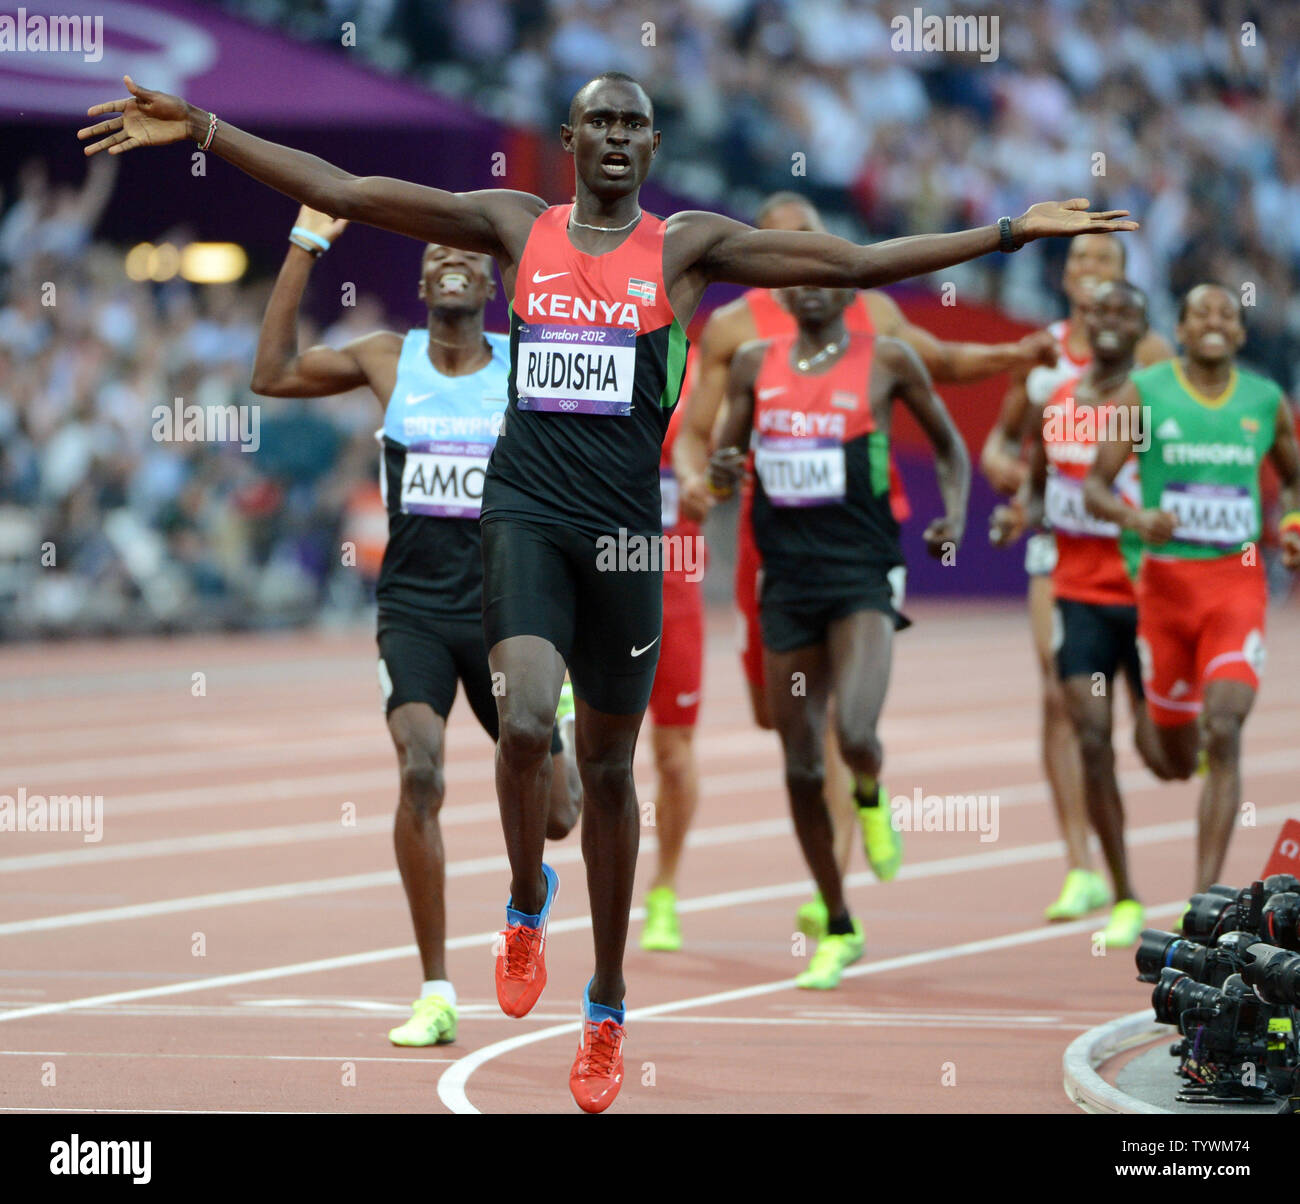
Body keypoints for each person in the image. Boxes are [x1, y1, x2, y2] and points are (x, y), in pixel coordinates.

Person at [80, 68, 1136, 1113]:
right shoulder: (512, 224)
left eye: (636, 122)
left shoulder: (687, 249)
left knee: (613, 775)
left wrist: (1004, 236)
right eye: (601, 123)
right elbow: (349, 190)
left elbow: (855, 263)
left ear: (653, 148)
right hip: (524, 516)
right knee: (527, 723)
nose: (619, 137)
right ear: (570, 138)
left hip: (627, 540)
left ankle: (607, 1002)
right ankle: (527, 898)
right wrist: (207, 124)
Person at [674, 191, 1059, 939]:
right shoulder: (734, 333)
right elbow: (701, 435)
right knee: (783, 724)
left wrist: (1011, 355)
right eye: (780, 251)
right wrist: (702, 477)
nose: (798, 265)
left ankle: (836, 889)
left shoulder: (874, 323)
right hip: (773, 548)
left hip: (861, 550)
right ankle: (843, 823)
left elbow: (941, 364)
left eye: (811, 246)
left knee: (842, 729)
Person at [249, 206, 580, 1046]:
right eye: (437, 252)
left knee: (561, 815)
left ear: (496, 281)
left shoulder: (524, 365)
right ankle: (436, 989)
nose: (453, 261)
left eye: (471, 253)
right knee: (421, 773)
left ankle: (532, 855)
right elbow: (273, 374)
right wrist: (305, 243)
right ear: (424, 281)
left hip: (512, 610)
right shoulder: (385, 360)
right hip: (416, 612)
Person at [707, 281, 969, 987]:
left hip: (862, 575)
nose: (812, 287)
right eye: (799, 277)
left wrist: (954, 515)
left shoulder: (888, 359)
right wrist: (722, 470)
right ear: (784, 295)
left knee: (853, 733)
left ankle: (871, 791)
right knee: (798, 764)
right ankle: (839, 920)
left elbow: (950, 446)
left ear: (850, 290)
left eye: (828, 275)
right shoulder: (752, 363)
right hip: (786, 582)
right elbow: (720, 460)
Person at [1084, 283, 1300, 893]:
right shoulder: (1143, 392)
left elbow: (1294, 479)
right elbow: (1097, 487)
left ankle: (1202, 899)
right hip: (1164, 592)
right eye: (1200, 311)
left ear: (1239, 333)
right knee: (1170, 760)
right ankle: (1162, 719)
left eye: (1226, 312)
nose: (1214, 320)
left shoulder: (1265, 399)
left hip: (1235, 586)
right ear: (1178, 331)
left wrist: (1290, 524)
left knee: (1225, 728)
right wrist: (1135, 518)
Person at [981, 234, 1172, 922]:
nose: (1092, 273)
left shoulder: (1150, 358)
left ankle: (1171, 731)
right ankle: (1081, 866)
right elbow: (1002, 440)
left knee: (1154, 733)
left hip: (1134, 558)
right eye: (1082, 261)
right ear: (1065, 278)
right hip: (1056, 548)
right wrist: (1007, 472)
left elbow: (1174, 432)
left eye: (1107, 263)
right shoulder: (1043, 354)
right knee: (1060, 697)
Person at [639, 386, 706, 952]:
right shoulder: (591, 358)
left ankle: (664, 891)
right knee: (592, 751)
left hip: (674, 593)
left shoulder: (697, 381)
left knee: (673, 755)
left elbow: (718, 470)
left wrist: (710, 482)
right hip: (599, 586)